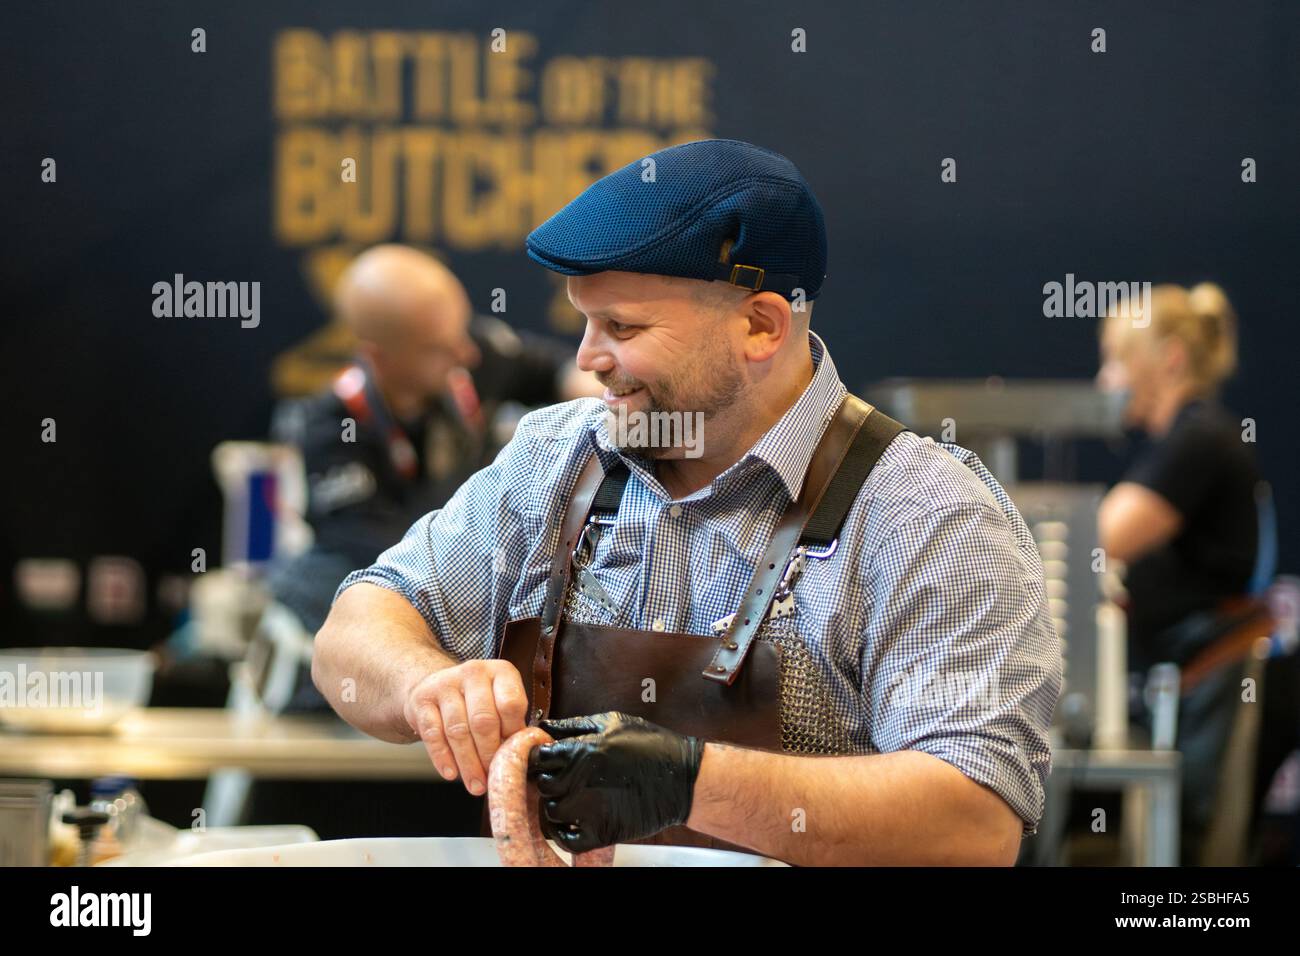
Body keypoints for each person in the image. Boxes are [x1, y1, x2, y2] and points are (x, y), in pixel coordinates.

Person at [312, 139, 1062, 865]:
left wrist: (690, 783)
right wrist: (426, 685)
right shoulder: (558, 457)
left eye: (622, 326)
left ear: (760, 326)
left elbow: (973, 824)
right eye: (583, 320)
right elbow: (357, 628)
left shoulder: (927, 516)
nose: (585, 358)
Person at [1095, 282, 1291, 864]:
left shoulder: (1198, 440)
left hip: (1225, 690)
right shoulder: (1183, 441)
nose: (1106, 381)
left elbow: (1101, 537)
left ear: (1170, 359)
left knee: (1205, 860)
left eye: (1115, 361)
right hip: (1203, 689)